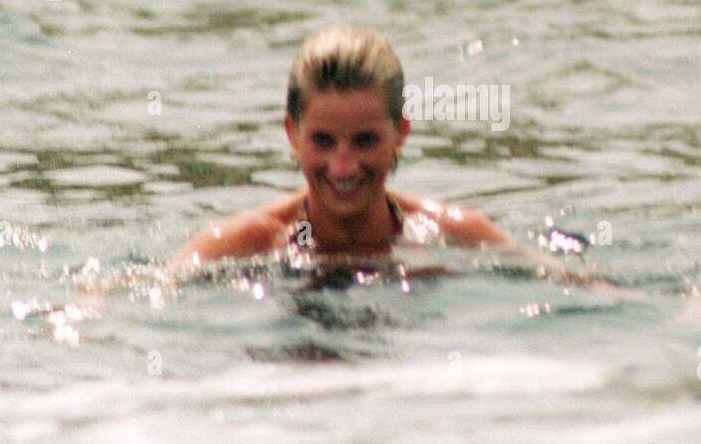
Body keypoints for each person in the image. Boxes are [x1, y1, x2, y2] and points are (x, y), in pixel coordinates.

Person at [174, 26, 511, 266]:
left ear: (401, 133)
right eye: (323, 141)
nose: (343, 167)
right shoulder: (256, 242)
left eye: (365, 140)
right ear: (293, 134)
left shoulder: (447, 235)